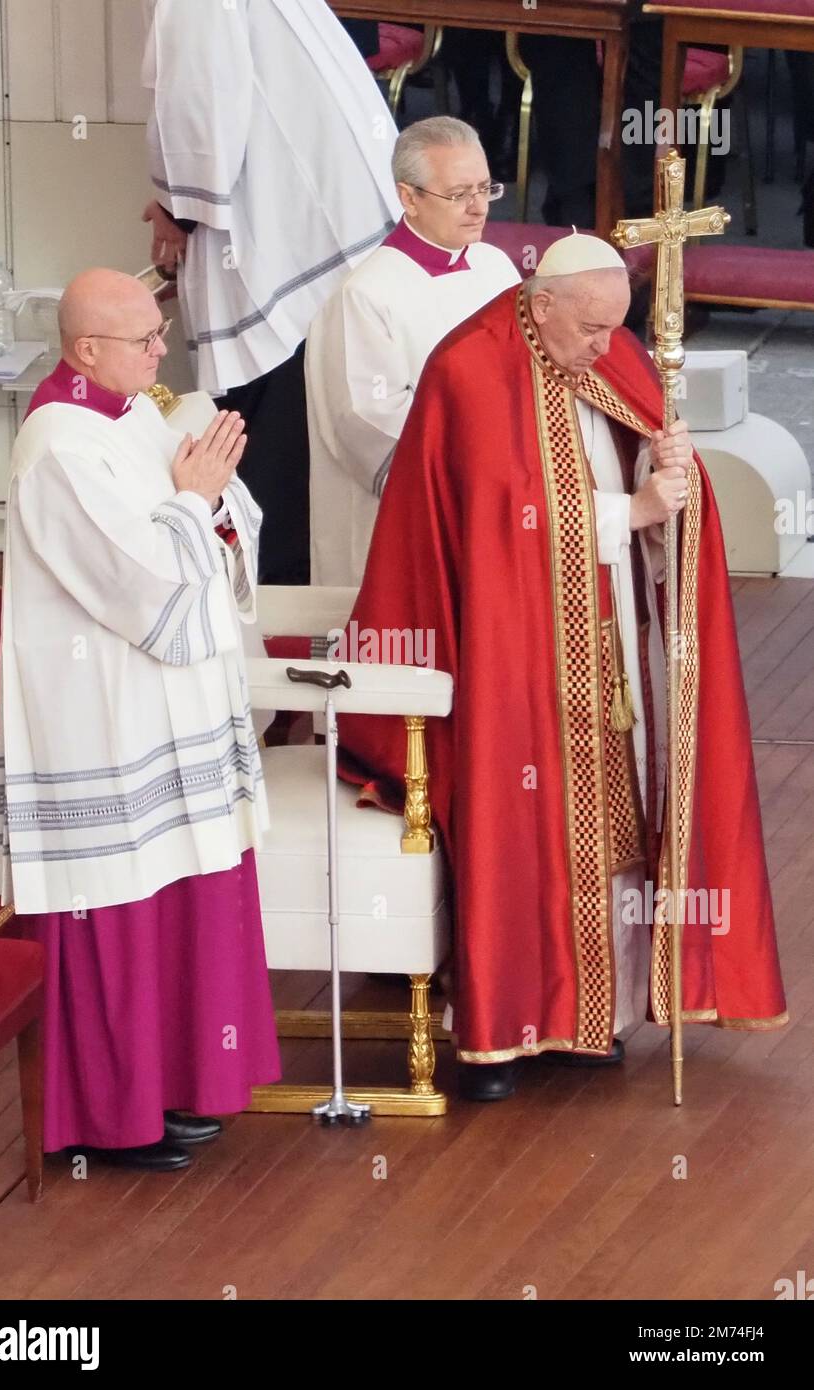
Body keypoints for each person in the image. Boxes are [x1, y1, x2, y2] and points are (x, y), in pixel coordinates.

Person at [338, 231, 788, 1101]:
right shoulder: (471, 370)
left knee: (611, 824)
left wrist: (670, 490)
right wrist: (633, 507)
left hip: (601, 634)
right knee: (519, 827)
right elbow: (505, 533)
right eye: (588, 330)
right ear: (541, 306)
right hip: (504, 651)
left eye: (614, 330)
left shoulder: (604, 349)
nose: (600, 349)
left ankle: (597, 1017)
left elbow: (637, 472)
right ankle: (506, 1023)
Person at [0, 268, 280, 1168]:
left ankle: (175, 1086)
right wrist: (196, 498)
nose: (163, 355)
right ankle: (107, 1118)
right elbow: (141, 587)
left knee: (182, 896)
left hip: (167, 712)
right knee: (116, 910)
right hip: (101, 718)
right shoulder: (59, 446)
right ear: (86, 352)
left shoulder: (134, 412)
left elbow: (204, 528)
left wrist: (217, 497)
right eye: (146, 341)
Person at [141, 0, 401, 584]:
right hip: (317, 224)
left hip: (281, 243)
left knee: (275, 435)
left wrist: (173, 213)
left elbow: (200, 115)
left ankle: (272, 597)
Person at [306, 117, 520, 587]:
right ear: (409, 197)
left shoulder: (497, 266)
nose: (478, 207)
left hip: (496, 496)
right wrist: (479, 458)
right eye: (459, 193)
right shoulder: (367, 295)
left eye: (486, 188)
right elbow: (366, 421)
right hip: (414, 512)